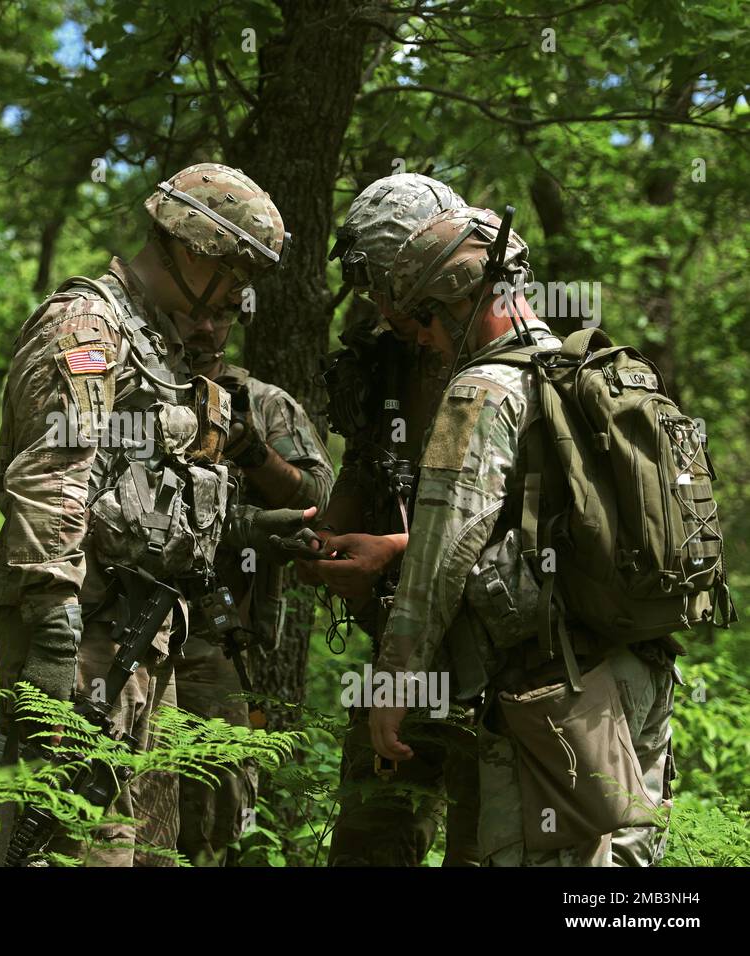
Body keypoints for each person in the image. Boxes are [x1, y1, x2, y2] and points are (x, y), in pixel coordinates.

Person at [0, 162, 319, 866]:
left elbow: (148, 496)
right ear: (193, 248)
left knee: (149, 848)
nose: (238, 292)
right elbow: (51, 483)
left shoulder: (159, 348)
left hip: (145, 634)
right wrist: (51, 642)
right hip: (84, 636)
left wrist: (252, 528)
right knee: (76, 843)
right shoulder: (88, 328)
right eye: (235, 269)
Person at [366, 205, 677, 866]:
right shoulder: (585, 372)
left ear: (463, 300)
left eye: (424, 316)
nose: (421, 338)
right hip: (641, 670)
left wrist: (393, 686)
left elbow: (439, 553)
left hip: (554, 694)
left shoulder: (476, 394)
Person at [304, 173, 481, 866]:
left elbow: (524, 525)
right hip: (396, 650)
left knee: (485, 848)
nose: (385, 304)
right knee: (371, 844)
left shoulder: (512, 364)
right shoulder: (379, 363)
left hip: (495, 658)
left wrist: (395, 552)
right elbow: (362, 469)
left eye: (397, 285)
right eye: (375, 288)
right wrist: (325, 541)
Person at [171, 289, 334, 866]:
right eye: (194, 309)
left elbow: (320, 500)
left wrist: (254, 453)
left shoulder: (264, 403)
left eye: (219, 313)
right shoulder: (137, 389)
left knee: (217, 806)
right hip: (124, 625)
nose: (204, 324)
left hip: (215, 637)